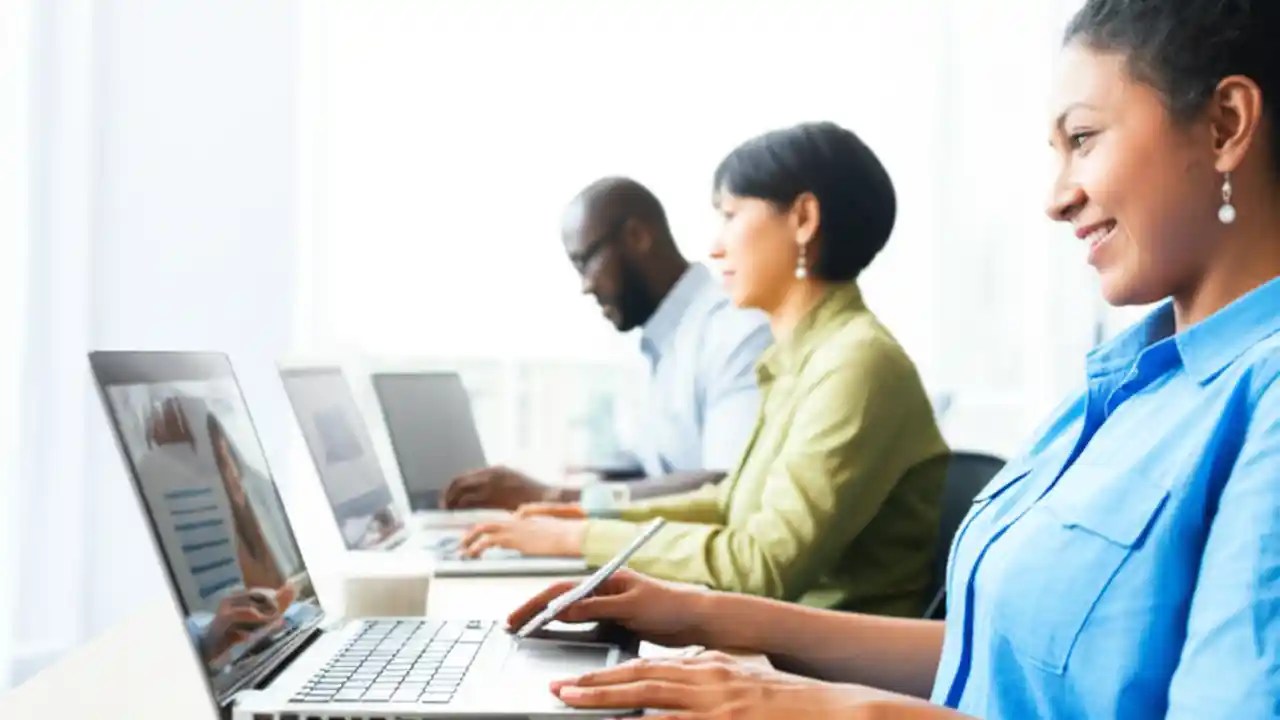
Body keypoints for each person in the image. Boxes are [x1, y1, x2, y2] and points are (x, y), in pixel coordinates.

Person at [504, 1, 1280, 717]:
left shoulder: (1263, 401)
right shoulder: (1119, 388)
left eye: (1082, 139)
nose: (1056, 197)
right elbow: (995, 661)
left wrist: (818, 706)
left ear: (1225, 124)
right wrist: (709, 615)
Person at [464, 121, 950, 616]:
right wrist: (586, 513)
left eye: (731, 215)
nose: (716, 247)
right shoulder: (808, 357)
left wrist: (578, 538)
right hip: (772, 652)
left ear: (803, 218)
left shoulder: (856, 367)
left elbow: (762, 566)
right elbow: (729, 504)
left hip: (824, 672)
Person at [442, 177, 773, 510]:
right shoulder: (655, 345)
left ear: (637, 237)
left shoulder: (736, 332)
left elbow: (727, 483)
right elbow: (664, 470)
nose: (586, 286)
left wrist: (554, 497)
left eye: (585, 262)